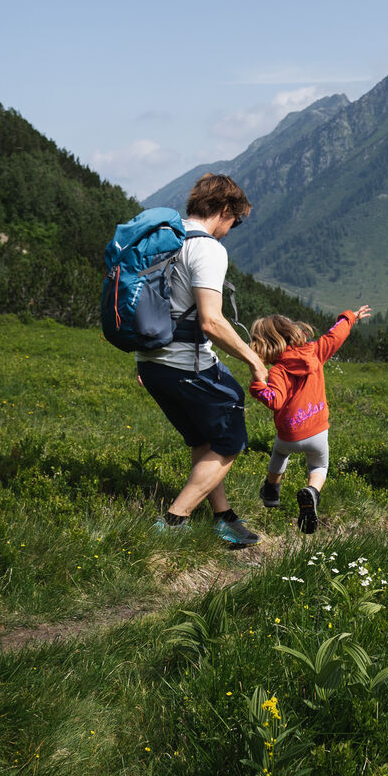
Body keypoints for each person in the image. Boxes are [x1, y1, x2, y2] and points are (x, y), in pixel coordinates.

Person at [136, 174, 268, 550]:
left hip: (151, 362)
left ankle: (223, 518)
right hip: (185, 363)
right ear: (225, 210)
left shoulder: (164, 239)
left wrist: (145, 359)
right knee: (230, 438)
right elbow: (211, 321)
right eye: (234, 221)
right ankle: (173, 522)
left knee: (204, 437)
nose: (230, 231)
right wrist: (253, 360)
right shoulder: (207, 249)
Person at [247, 304, 373, 534]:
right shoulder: (316, 351)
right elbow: (336, 335)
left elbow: (274, 400)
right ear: (292, 331)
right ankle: (312, 492)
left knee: (279, 453)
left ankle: (272, 490)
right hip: (317, 432)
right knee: (319, 465)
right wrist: (350, 317)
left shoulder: (278, 371)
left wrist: (257, 384)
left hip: (288, 434)